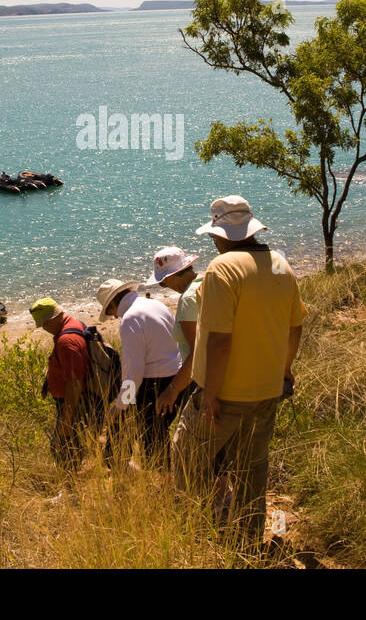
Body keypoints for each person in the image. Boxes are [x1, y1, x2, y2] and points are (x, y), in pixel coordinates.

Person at [171, 195, 305, 546]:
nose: (213, 240)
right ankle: (245, 541)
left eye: (214, 234)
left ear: (222, 233)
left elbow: (218, 341)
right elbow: (295, 326)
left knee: (187, 458)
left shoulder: (223, 268)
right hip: (267, 389)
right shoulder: (279, 263)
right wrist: (286, 369)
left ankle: (195, 534)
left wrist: (211, 394)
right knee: (252, 469)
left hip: (225, 394)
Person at [96, 277, 182, 467]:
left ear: (112, 303)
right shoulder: (156, 305)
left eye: (110, 312)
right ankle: (158, 480)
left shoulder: (130, 319)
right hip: (175, 377)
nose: (114, 316)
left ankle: (121, 473)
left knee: (149, 441)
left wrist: (119, 406)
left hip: (152, 384)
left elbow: (134, 373)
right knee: (156, 436)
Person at [31, 296, 92, 471]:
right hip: (76, 402)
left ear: (52, 319)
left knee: (61, 447)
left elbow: (75, 382)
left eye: (43, 324)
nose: (43, 328)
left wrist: (67, 416)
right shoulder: (74, 324)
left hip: (73, 403)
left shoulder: (67, 341)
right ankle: (78, 478)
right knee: (73, 444)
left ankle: (71, 488)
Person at [145, 246, 201, 420]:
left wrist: (172, 390)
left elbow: (197, 352)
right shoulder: (207, 283)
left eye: (162, 282)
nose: (165, 287)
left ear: (171, 277)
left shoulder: (188, 299)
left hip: (198, 383)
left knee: (189, 446)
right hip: (224, 379)